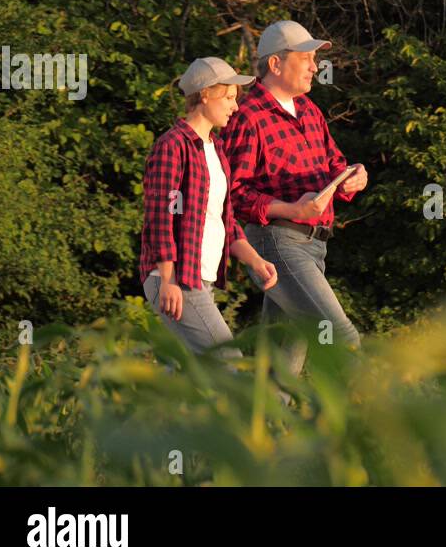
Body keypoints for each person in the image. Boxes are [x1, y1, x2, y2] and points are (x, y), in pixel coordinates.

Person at [222, 20, 367, 380]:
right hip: (277, 242)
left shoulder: (310, 111)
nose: (315, 67)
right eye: (306, 58)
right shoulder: (247, 116)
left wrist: (352, 178)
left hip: (315, 244)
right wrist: (292, 209)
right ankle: (371, 422)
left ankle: (262, 429)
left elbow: (334, 165)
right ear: (276, 64)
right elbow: (233, 193)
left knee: (282, 361)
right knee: (342, 336)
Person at [139, 57, 278, 363]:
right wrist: (168, 279)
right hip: (178, 278)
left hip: (199, 278)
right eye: (228, 97)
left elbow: (225, 222)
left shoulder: (215, 151)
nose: (235, 106)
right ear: (204, 94)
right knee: (228, 363)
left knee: (188, 381)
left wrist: (255, 261)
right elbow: (161, 216)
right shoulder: (173, 145)